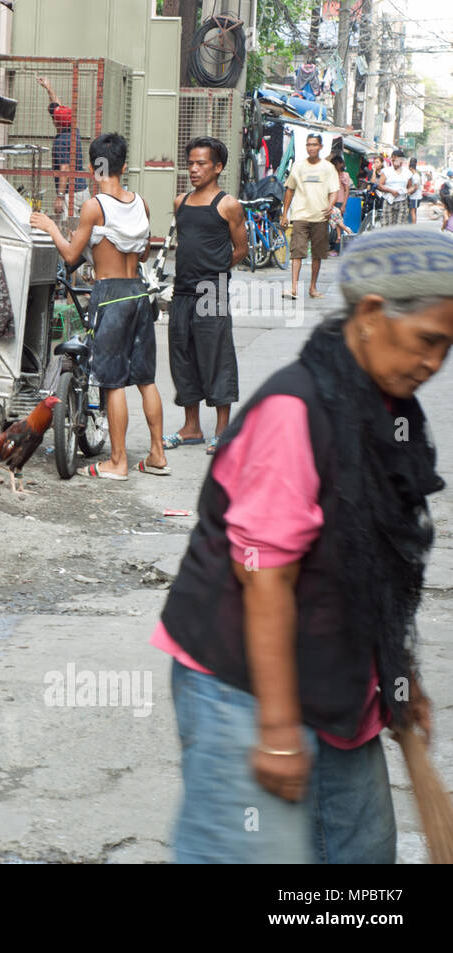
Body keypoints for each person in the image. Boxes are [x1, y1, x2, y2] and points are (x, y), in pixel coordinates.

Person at [155, 226, 453, 863]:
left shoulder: (386, 410)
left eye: (447, 346)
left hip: (336, 682)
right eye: (428, 341)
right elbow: (265, 574)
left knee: (363, 858)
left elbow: (378, 570)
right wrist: (279, 730)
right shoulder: (296, 409)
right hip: (242, 684)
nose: (434, 363)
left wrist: (399, 682)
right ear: (372, 315)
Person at [30, 132, 167, 480]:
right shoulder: (141, 203)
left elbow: (71, 255)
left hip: (111, 296)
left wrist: (49, 227)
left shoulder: (94, 205)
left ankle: (117, 462)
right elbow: (139, 251)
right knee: (146, 379)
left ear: (94, 168)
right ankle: (157, 454)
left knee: (112, 381)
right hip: (138, 292)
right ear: (122, 165)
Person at [165, 137, 248, 456]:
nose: (194, 169)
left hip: (211, 291)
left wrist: (214, 272)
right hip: (182, 291)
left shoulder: (228, 205)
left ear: (218, 167)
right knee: (182, 358)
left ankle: (222, 430)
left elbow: (240, 249)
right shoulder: (180, 202)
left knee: (217, 358)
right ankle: (191, 427)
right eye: (191, 163)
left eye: (201, 164)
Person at [280, 133, 336, 299]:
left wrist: (331, 205)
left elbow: (334, 191)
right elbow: (289, 190)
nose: (311, 147)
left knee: (317, 255)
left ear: (320, 147)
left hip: (320, 217)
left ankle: (312, 288)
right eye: (308, 144)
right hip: (300, 216)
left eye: (314, 144)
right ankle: (294, 288)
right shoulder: (298, 167)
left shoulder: (328, 168)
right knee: (297, 252)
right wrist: (285, 214)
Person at [36, 76, 89, 217]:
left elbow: (65, 168)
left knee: (69, 229)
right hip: (82, 190)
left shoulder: (61, 141)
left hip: (71, 195)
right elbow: (58, 107)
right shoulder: (73, 131)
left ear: (56, 123)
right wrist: (49, 88)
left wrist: (60, 196)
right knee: (81, 228)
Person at [377, 151, 418, 227]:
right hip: (388, 201)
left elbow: (411, 187)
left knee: (400, 228)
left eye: (396, 160)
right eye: (393, 160)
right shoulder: (386, 171)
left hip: (402, 202)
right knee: (386, 227)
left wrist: (406, 191)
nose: (394, 162)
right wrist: (391, 191)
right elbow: (379, 185)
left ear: (401, 161)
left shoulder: (407, 173)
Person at [327, 154, 352, 257]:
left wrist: (344, 205)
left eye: (336, 164)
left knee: (339, 224)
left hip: (340, 202)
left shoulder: (344, 175)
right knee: (334, 224)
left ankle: (337, 249)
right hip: (330, 202)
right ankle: (332, 246)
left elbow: (347, 190)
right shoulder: (331, 175)